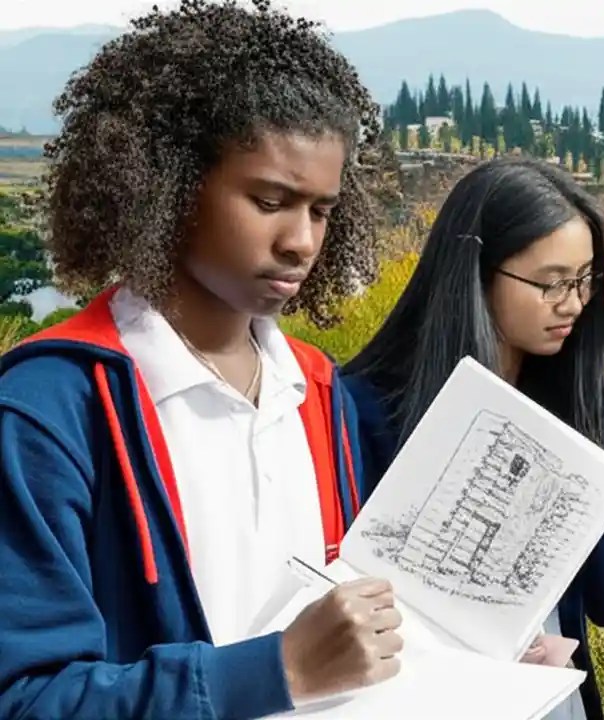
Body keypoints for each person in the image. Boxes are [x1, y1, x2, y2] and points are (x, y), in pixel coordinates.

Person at [0, 2, 406, 718]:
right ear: (169, 184)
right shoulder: (49, 410)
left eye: (321, 211)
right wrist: (274, 670)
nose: (302, 242)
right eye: (271, 200)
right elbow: (26, 699)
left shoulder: (314, 389)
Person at [341, 156, 604, 720]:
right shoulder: (364, 409)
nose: (574, 304)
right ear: (475, 271)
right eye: (550, 284)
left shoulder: (588, 401)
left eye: (585, 281)